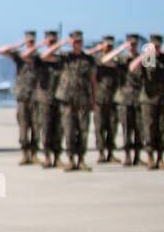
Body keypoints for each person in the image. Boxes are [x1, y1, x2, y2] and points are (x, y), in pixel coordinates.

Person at [43, 31, 96, 172]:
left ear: (82, 42)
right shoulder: (65, 57)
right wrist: (61, 43)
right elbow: (45, 56)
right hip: (67, 100)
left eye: (78, 41)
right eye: (73, 41)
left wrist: (94, 101)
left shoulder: (88, 59)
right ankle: (71, 160)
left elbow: (93, 81)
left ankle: (81, 160)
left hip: (83, 99)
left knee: (83, 131)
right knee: (69, 130)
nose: (76, 44)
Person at [131, 33, 164, 171]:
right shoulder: (147, 60)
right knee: (149, 129)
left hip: (163, 100)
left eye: (157, 46)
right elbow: (132, 68)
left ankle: (160, 158)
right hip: (148, 101)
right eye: (153, 46)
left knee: (163, 129)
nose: (156, 48)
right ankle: (150, 158)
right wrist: (144, 55)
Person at [0, 31, 39, 164]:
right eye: (28, 40)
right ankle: (25, 153)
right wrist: (21, 43)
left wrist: (37, 46)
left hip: (36, 96)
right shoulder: (19, 56)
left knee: (36, 127)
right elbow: (1, 50)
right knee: (23, 126)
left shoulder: (39, 56)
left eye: (32, 41)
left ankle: (34, 154)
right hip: (22, 96)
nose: (30, 43)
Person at [104, 34, 143, 166]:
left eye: (134, 44)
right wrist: (121, 48)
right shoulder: (121, 58)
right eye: (130, 44)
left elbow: (152, 70)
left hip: (139, 98)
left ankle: (138, 156)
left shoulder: (144, 57)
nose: (132, 46)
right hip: (124, 99)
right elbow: (105, 60)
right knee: (127, 129)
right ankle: (127, 156)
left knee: (139, 129)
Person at [33, 29, 63, 168]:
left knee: (58, 130)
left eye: (54, 40)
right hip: (44, 99)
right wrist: (44, 44)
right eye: (49, 40)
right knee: (45, 129)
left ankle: (57, 157)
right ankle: (46, 157)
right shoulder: (40, 58)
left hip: (60, 98)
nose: (51, 42)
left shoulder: (61, 58)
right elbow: (44, 55)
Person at [92, 35, 120, 163]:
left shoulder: (117, 59)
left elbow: (114, 62)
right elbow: (103, 61)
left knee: (112, 127)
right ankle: (101, 153)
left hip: (114, 98)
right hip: (100, 99)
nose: (108, 47)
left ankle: (111, 153)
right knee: (100, 127)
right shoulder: (97, 58)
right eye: (106, 45)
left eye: (110, 45)